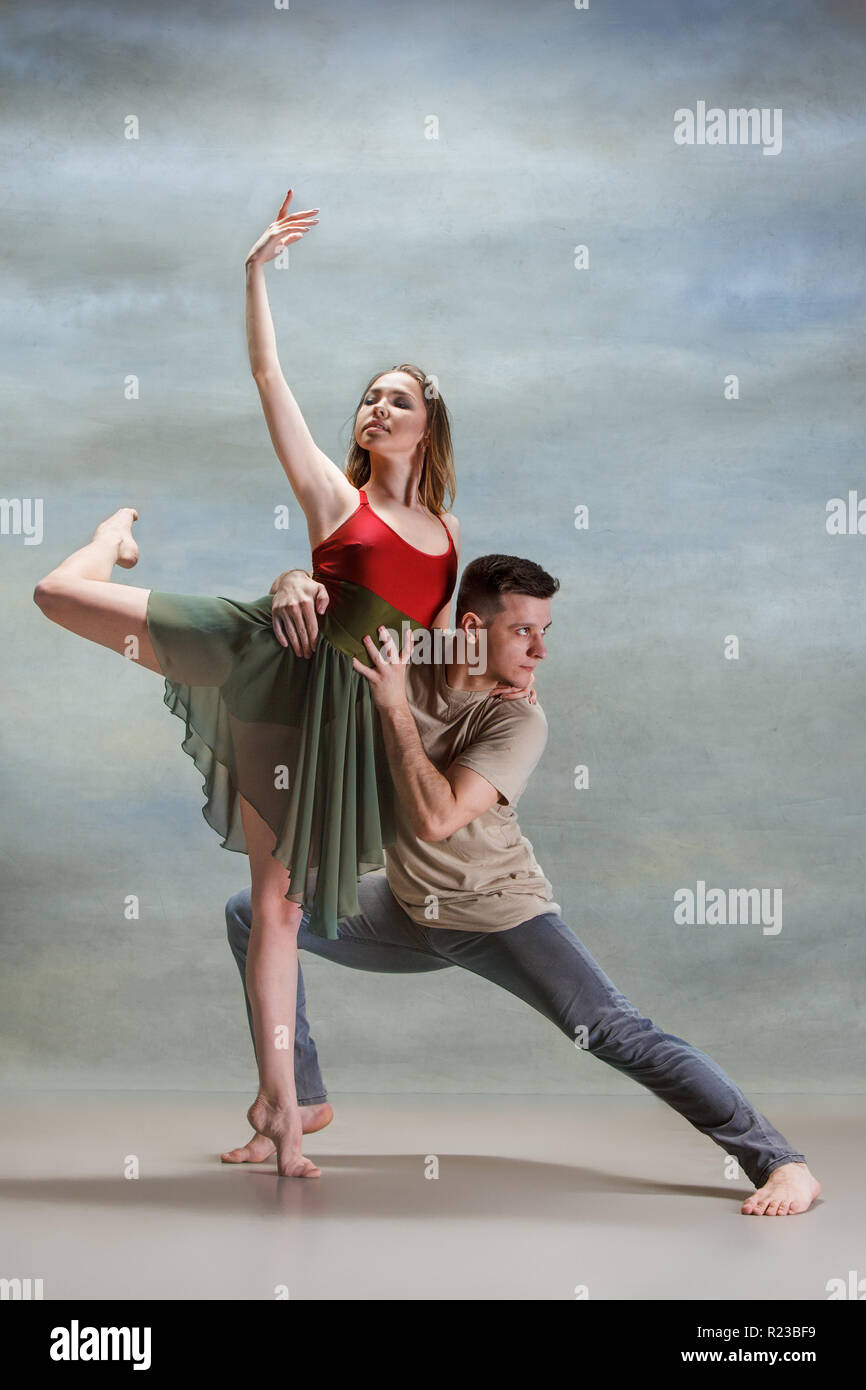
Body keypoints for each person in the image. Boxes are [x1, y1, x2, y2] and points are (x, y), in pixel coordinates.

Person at [31, 190, 502, 1177]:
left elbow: (420, 652)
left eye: (397, 399)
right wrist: (254, 271)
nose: (375, 407)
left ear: (428, 427)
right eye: (369, 396)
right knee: (54, 592)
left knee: (277, 911)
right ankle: (110, 536)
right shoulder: (336, 496)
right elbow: (265, 373)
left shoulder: (450, 538)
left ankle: (282, 1113)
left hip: (333, 730)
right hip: (267, 663)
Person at [222, 554, 822, 1216]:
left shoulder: (518, 719)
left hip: (497, 915)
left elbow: (435, 818)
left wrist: (393, 707)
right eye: (524, 632)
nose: (540, 650)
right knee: (255, 914)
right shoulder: (410, 652)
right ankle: (301, 1098)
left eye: (546, 632)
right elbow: (331, 592)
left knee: (616, 1031)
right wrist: (289, 585)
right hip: (405, 908)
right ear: (471, 627)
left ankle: (780, 1162)